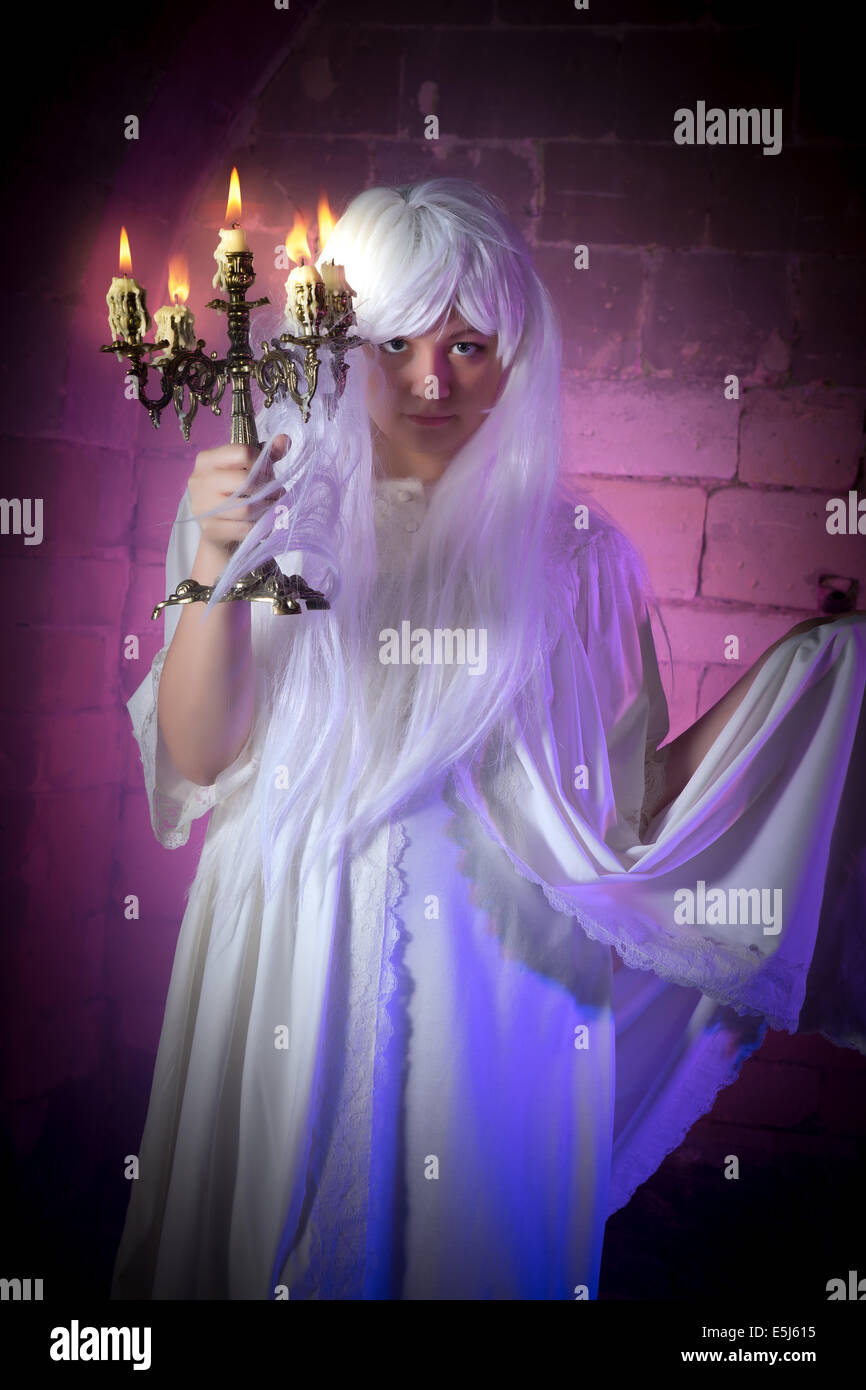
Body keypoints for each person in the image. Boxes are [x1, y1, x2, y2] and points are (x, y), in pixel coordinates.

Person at [111, 177, 866, 1301]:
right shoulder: (254, 501)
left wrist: (804, 686)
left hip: (495, 974)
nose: (428, 379)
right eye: (393, 340)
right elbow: (201, 754)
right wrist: (217, 572)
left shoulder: (577, 557)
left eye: (468, 345)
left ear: (516, 357)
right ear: (335, 338)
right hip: (287, 937)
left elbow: (622, 815)